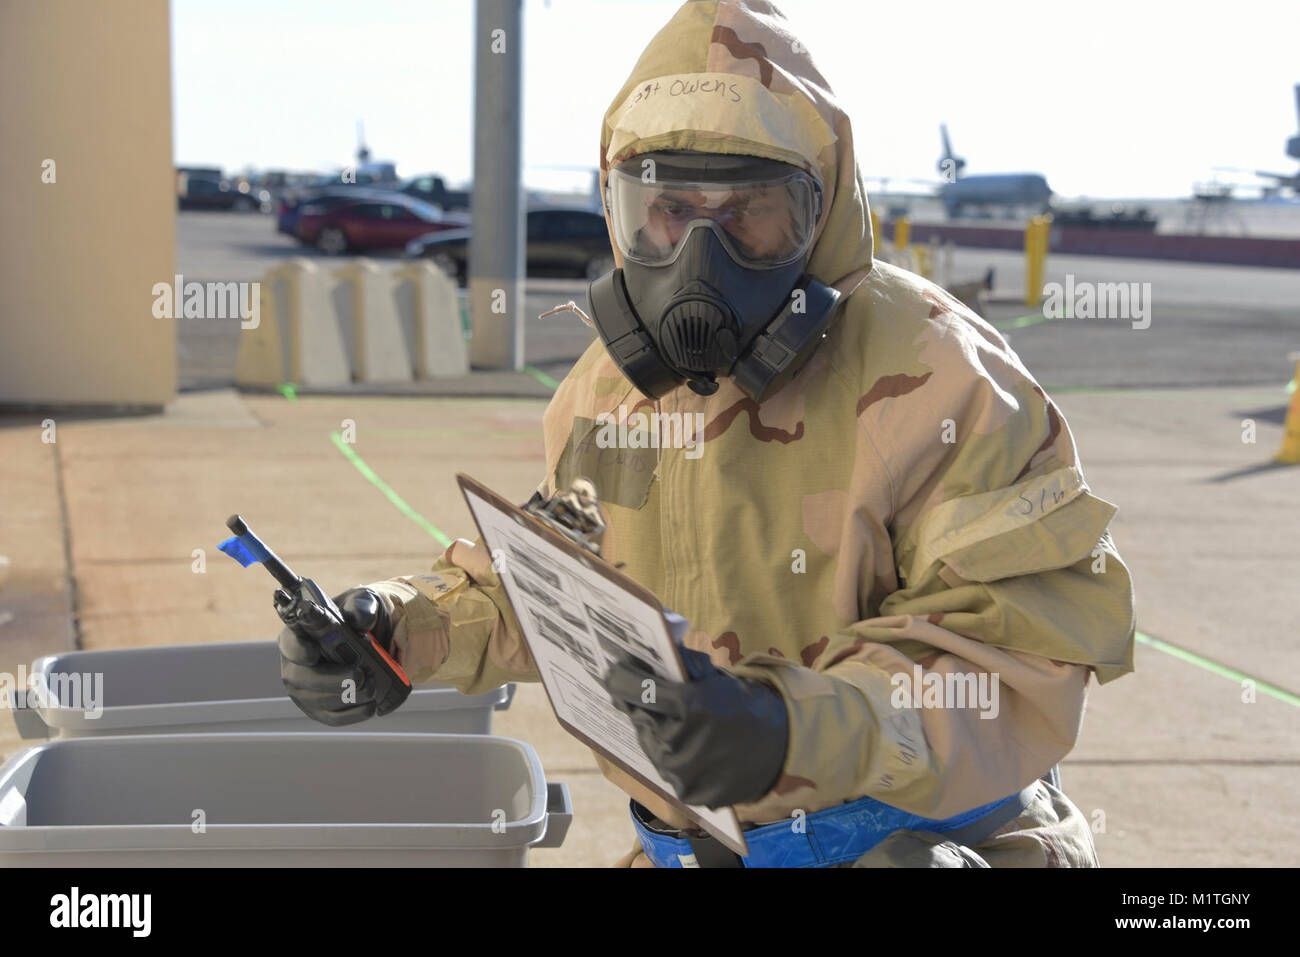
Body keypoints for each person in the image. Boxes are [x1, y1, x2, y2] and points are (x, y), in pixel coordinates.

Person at [277, 0, 1135, 868]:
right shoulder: (611, 392)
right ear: (622, 207)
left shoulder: (941, 375)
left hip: (911, 847)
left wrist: (788, 729)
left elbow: (1009, 654)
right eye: (670, 207)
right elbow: (557, 586)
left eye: (748, 213)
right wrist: (397, 628)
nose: (699, 255)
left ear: (820, 210)